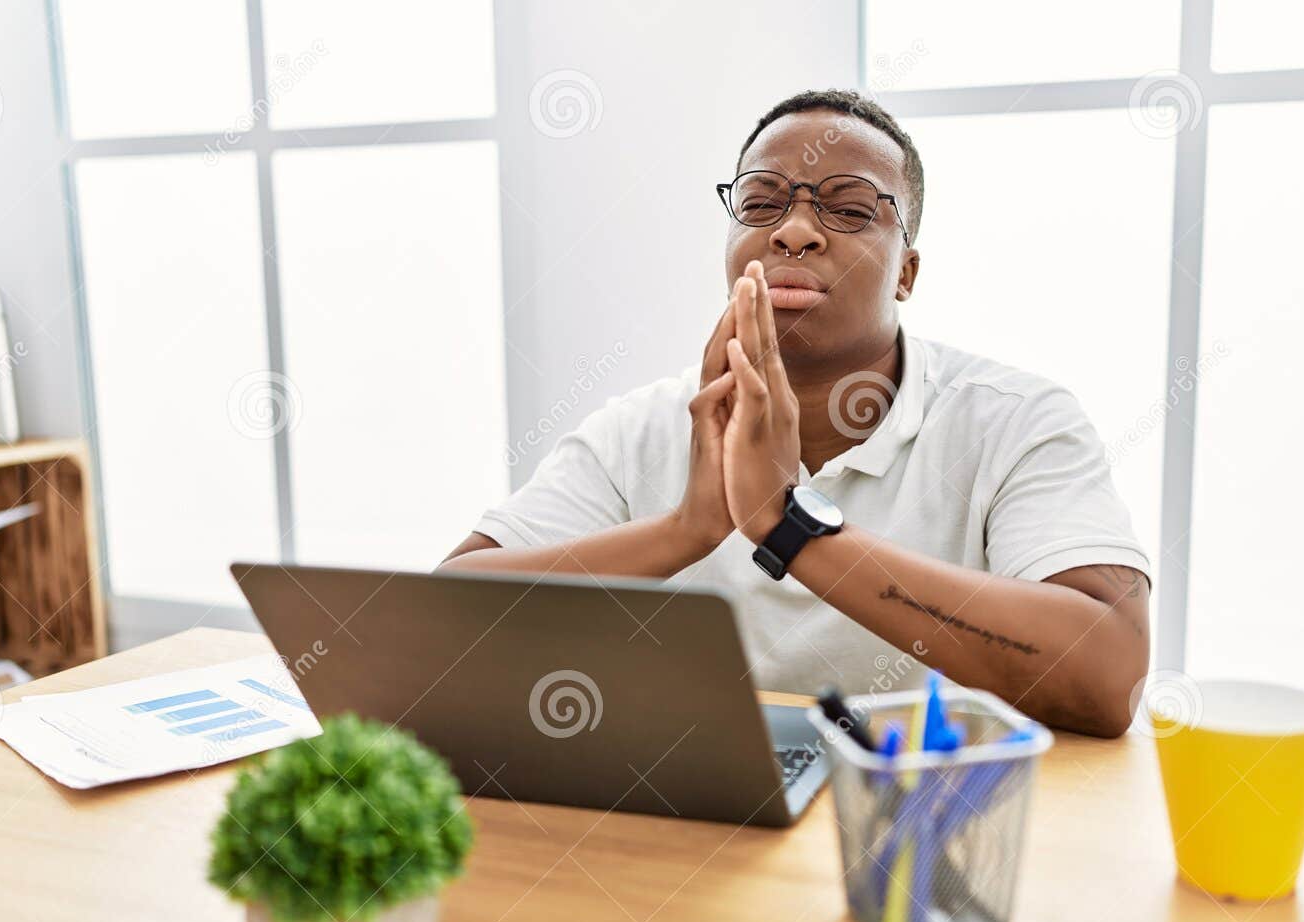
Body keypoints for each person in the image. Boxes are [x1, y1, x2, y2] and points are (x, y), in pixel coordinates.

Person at [440, 89, 1151, 738]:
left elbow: (1108, 674)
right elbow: (435, 622)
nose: (795, 232)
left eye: (847, 209)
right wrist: (686, 529)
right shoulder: (639, 429)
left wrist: (790, 528)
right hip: (695, 834)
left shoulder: (1015, 420)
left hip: (919, 829)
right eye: (761, 202)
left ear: (906, 272)